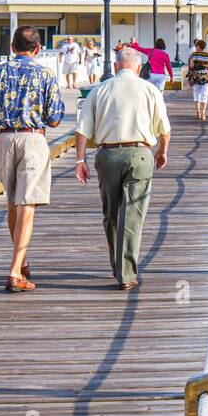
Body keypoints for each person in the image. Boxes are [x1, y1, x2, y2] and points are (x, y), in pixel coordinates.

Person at [0, 25, 66, 293]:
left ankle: (21, 262)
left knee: (13, 202)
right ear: (37, 49)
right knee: (27, 205)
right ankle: (14, 271)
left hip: (2, 140)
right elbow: (55, 119)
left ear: (11, 47)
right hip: (32, 139)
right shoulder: (46, 74)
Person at [74, 46, 171, 291]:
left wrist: (80, 160)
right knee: (132, 215)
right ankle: (126, 274)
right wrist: (162, 151)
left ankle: (118, 266)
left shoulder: (100, 89)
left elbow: (82, 129)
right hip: (139, 154)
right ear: (139, 68)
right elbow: (164, 129)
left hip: (107, 155)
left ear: (116, 66)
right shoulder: (150, 89)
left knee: (111, 214)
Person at [186, 39, 208, 121]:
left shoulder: (193, 55)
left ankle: (198, 112)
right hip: (206, 77)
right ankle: (203, 113)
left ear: (198, 46)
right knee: (205, 95)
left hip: (196, 77)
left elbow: (191, 66)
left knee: (197, 94)